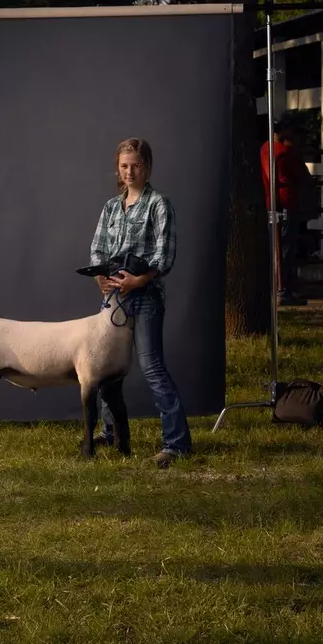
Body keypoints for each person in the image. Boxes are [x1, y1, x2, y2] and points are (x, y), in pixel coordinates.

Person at [87, 137, 192, 469]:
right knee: (105, 367)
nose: (129, 172)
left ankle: (176, 443)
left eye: (135, 165)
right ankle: (110, 431)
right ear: (117, 169)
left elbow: (165, 255)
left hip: (144, 295)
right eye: (123, 166)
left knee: (152, 368)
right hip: (115, 296)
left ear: (146, 167)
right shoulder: (110, 207)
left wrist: (139, 280)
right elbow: (98, 249)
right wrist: (100, 278)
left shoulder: (159, 204)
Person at [260, 115, 313, 306]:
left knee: (275, 245)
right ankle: (283, 289)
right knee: (287, 247)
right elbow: (304, 177)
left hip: (270, 202)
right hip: (287, 202)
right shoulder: (287, 152)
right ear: (284, 130)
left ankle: (275, 286)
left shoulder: (266, 148)